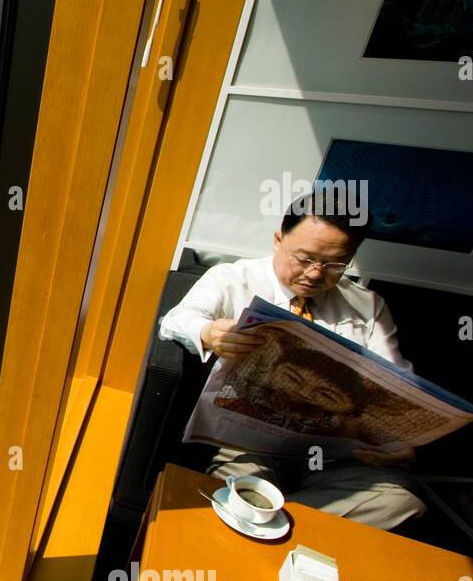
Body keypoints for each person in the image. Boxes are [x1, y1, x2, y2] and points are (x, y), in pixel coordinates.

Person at [159, 188, 427, 530]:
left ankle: (265, 521)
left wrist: (403, 441)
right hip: (251, 449)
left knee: (401, 500)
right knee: (242, 482)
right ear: (277, 240)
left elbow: (399, 387)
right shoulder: (233, 279)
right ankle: (296, 525)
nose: (316, 274)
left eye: (334, 264)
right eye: (304, 258)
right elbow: (175, 321)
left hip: (336, 457)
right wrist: (209, 331)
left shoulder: (368, 306)